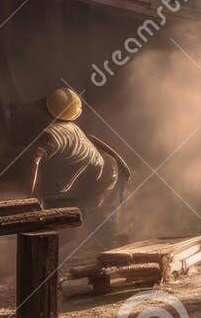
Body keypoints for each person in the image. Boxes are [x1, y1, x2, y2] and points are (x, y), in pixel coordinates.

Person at [29, 85, 127, 233]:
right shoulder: (71, 127)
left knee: (73, 219)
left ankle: (92, 235)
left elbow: (35, 161)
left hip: (94, 180)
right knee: (87, 216)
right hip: (105, 171)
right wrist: (120, 162)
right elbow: (92, 139)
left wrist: (31, 196)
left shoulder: (51, 135)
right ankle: (100, 232)